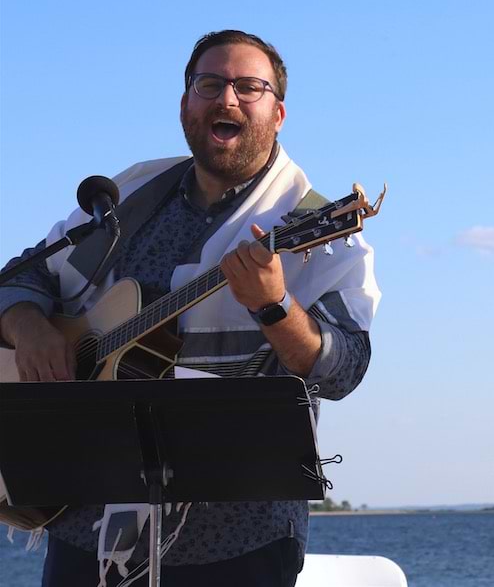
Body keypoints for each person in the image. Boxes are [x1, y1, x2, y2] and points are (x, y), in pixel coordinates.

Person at [0, 30, 381, 587]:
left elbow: (345, 368)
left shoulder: (316, 226)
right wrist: (29, 328)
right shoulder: (130, 195)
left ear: (278, 114)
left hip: (234, 537)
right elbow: (22, 275)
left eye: (249, 87)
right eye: (209, 84)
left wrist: (274, 306)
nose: (227, 98)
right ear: (185, 106)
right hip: (82, 513)